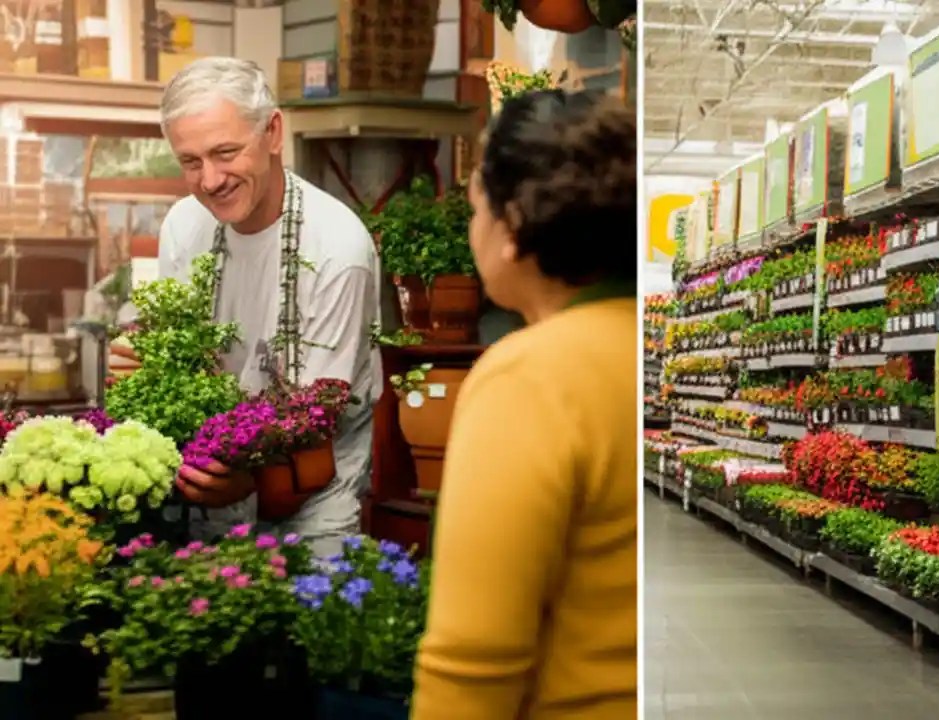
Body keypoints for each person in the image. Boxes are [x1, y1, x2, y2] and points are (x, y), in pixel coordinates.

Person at [412, 89, 637, 718]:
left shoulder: (531, 375)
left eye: (475, 206)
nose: (470, 227)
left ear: (512, 225)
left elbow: (473, 661)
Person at [154, 57, 381, 557]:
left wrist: (248, 480)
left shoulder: (337, 248)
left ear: (273, 132)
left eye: (226, 152)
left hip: (314, 496)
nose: (210, 180)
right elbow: (179, 366)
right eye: (191, 161)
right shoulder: (182, 227)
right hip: (211, 484)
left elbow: (315, 418)